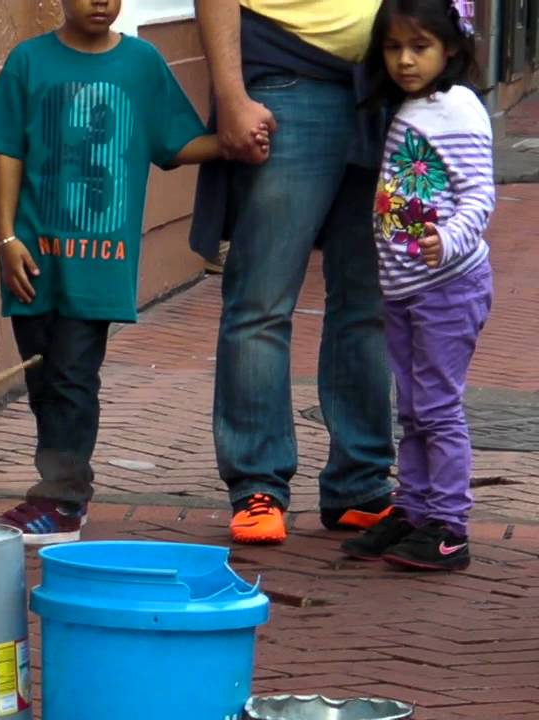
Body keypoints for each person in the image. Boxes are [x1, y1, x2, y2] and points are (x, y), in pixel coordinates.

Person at [0, 0, 269, 544]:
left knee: (73, 378)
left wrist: (233, 146)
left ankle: (64, 500)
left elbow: (175, 144)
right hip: (33, 261)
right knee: (43, 377)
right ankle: (60, 487)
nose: (101, 1)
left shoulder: (142, 63)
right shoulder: (28, 62)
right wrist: (7, 237)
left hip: (98, 269)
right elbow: (6, 151)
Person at [192, 0, 400, 544]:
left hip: (383, 89)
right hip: (288, 78)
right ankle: (257, 484)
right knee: (262, 298)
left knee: (367, 304)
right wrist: (231, 96)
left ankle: (362, 482)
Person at [341, 0, 492, 571]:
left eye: (420, 47)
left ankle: (449, 527)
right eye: (393, 47)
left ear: (450, 48)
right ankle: (413, 509)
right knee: (413, 408)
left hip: (448, 285)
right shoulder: (413, 105)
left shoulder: (456, 108)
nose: (405, 60)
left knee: (438, 409)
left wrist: (446, 241)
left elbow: (479, 195)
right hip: (407, 288)